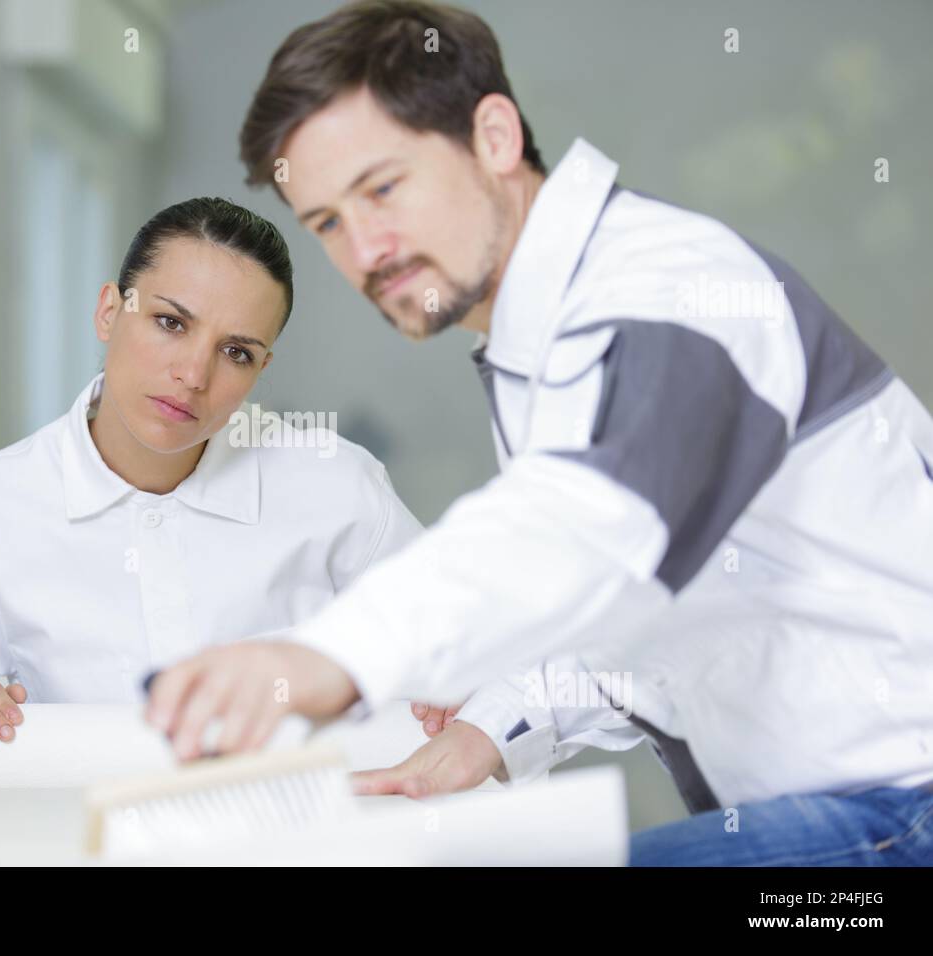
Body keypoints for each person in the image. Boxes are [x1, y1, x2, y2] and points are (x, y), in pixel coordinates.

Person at [145, 1, 933, 865]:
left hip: (904, 810)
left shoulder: (666, 293)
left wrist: (328, 656)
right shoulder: (542, 328)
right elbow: (640, 610)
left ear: (493, 136)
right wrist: (488, 731)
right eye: (328, 221)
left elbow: (584, 535)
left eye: (382, 187)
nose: (365, 248)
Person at [0, 196, 432, 782]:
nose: (193, 376)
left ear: (261, 369)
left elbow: (472, 652)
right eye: (170, 322)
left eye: (236, 352)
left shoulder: (337, 488)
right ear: (110, 312)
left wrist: (451, 699)